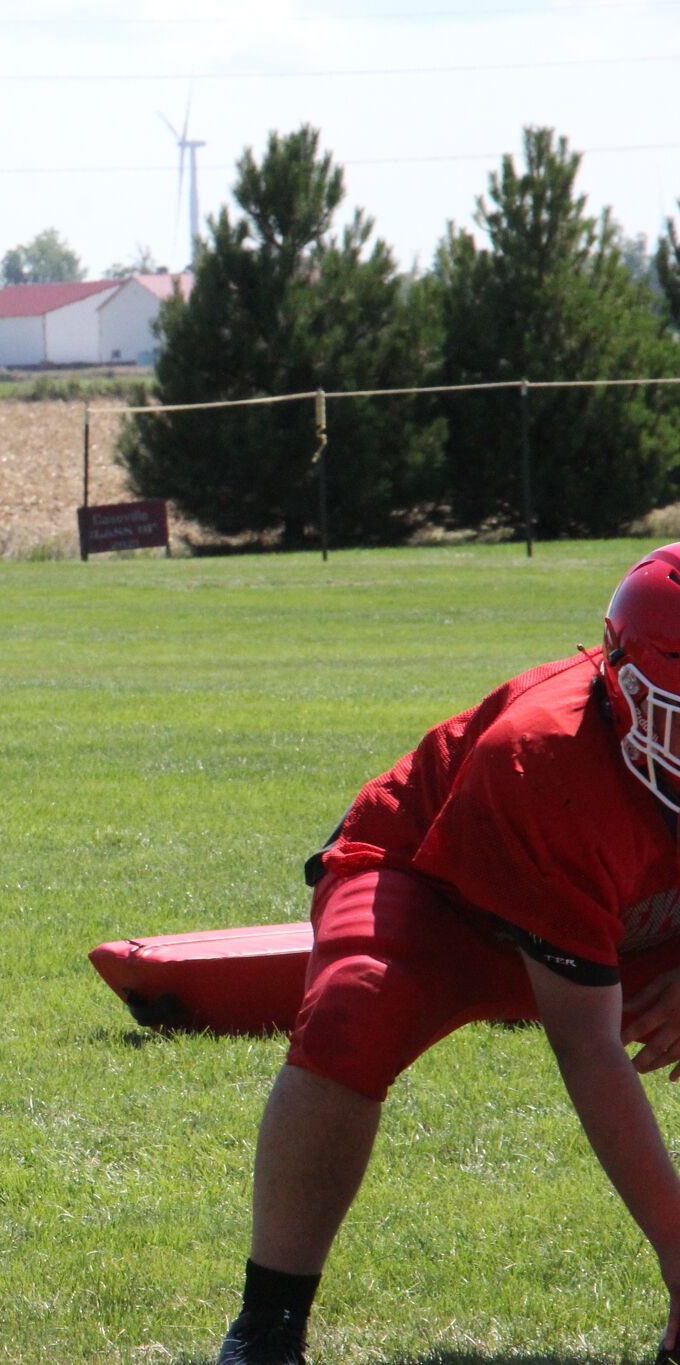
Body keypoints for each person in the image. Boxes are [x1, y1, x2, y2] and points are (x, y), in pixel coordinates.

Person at [217, 544, 680, 1365]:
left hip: (622, 912)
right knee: (354, 1014)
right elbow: (587, 1045)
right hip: (436, 884)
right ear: (626, 687)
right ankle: (268, 1322)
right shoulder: (546, 760)